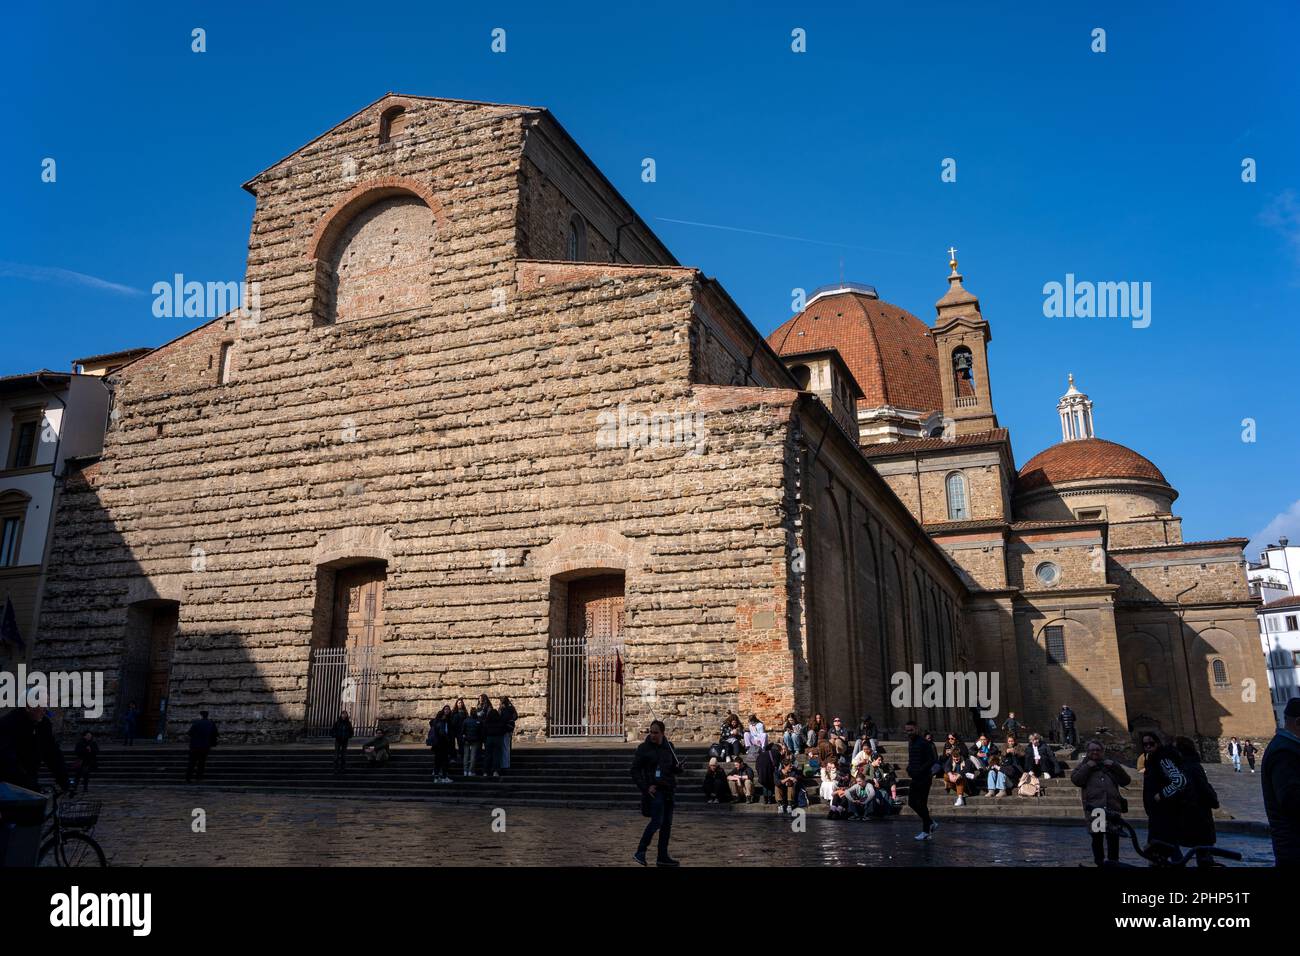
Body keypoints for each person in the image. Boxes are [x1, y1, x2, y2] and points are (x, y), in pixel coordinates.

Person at [1070, 739, 1131, 865]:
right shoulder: (1084, 765)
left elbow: (1126, 780)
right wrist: (1088, 767)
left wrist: (1115, 766)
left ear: (1102, 751)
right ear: (1088, 752)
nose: (1095, 752)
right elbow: (1076, 780)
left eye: (1098, 750)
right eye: (1092, 750)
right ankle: (1099, 863)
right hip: (1095, 808)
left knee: (1113, 838)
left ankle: (1114, 863)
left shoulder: (1110, 764)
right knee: (1097, 839)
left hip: (1112, 807)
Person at [630, 719, 681, 866]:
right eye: (650, 732)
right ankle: (640, 851)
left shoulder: (669, 747)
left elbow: (672, 768)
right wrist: (646, 787)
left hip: (668, 790)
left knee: (666, 825)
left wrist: (679, 768)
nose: (652, 735)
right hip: (655, 791)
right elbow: (634, 770)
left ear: (663, 733)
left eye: (655, 733)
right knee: (656, 822)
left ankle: (662, 857)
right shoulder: (644, 748)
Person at [0, 692, 71, 792]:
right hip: (7, 783)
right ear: (29, 706)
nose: (46, 710)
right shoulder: (8, 724)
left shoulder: (44, 724)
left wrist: (65, 782)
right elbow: (6, 759)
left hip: (29, 777)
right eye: (42, 706)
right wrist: (28, 783)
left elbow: (52, 754)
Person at [1261, 697, 1300, 866]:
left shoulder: (1288, 748)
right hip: (1294, 848)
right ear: (1298, 723)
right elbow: (1292, 801)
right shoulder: (1284, 753)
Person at [1173, 736, 1219, 866]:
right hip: (1199, 815)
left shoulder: (1181, 767)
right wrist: (1213, 801)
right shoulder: (1193, 766)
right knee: (1203, 853)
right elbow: (1204, 788)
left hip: (1190, 814)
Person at [905, 720, 938, 840]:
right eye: (907, 730)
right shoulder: (910, 743)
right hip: (915, 777)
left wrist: (920, 770)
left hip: (924, 777)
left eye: (911, 730)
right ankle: (930, 823)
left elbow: (931, 760)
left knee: (922, 804)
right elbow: (911, 758)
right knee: (912, 802)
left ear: (916, 729)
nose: (909, 732)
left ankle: (926, 831)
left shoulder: (924, 743)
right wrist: (909, 768)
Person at [185, 709, 218, 783]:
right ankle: (199, 777)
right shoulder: (211, 723)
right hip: (205, 745)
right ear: (207, 715)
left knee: (192, 762)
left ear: (201, 715)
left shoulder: (196, 723)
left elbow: (190, 733)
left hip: (194, 746)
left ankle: (188, 777)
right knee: (202, 762)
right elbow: (215, 734)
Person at [428, 706, 453, 783]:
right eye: (446, 709)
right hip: (442, 743)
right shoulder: (443, 720)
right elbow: (443, 732)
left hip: (438, 744)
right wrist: (447, 739)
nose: (447, 711)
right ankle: (444, 777)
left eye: (448, 709)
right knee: (444, 760)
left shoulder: (440, 720)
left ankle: (436, 777)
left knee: (438, 761)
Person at [482, 698, 506, 778]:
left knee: (487, 756)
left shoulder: (487, 722)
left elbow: (484, 731)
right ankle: (495, 771)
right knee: (497, 756)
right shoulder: (499, 722)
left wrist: (485, 739)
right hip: (497, 739)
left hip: (489, 739)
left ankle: (485, 772)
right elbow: (503, 730)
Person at [755, 740, 781, 804]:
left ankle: (765, 799)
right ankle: (769, 799)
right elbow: (776, 764)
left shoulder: (762, 754)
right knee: (769, 784)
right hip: (769, 771)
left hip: (761, 771)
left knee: (765, 784)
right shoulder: (776, 753)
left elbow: (756, 765)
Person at [461, 703, 482, 776]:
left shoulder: (466, 720)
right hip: (475, 740)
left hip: (467, 739)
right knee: (473, 756)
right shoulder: (478, 721)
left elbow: (462, 731)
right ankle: (470, 771)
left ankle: (465, 771)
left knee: (466, 756)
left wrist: (464, 736)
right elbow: (480, 732)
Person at [499, 696, 518, 772]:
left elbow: (501, 718)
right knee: (507, 747)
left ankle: (505, 764)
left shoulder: (504, 708)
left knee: (505, 747)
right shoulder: (511, 707)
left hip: (505, 729)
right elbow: (515, 716)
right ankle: (506, 763)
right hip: (509, 729)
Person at [450, 698, 468, 763]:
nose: (460, 704)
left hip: (461, 730)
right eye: (459, 703)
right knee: (452, 744)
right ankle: (453, 757)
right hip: (454, 730)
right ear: (457, 704)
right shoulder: (453, 712)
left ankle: (462, 757)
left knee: (461, 744)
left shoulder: (465, 712)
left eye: (461, 703)